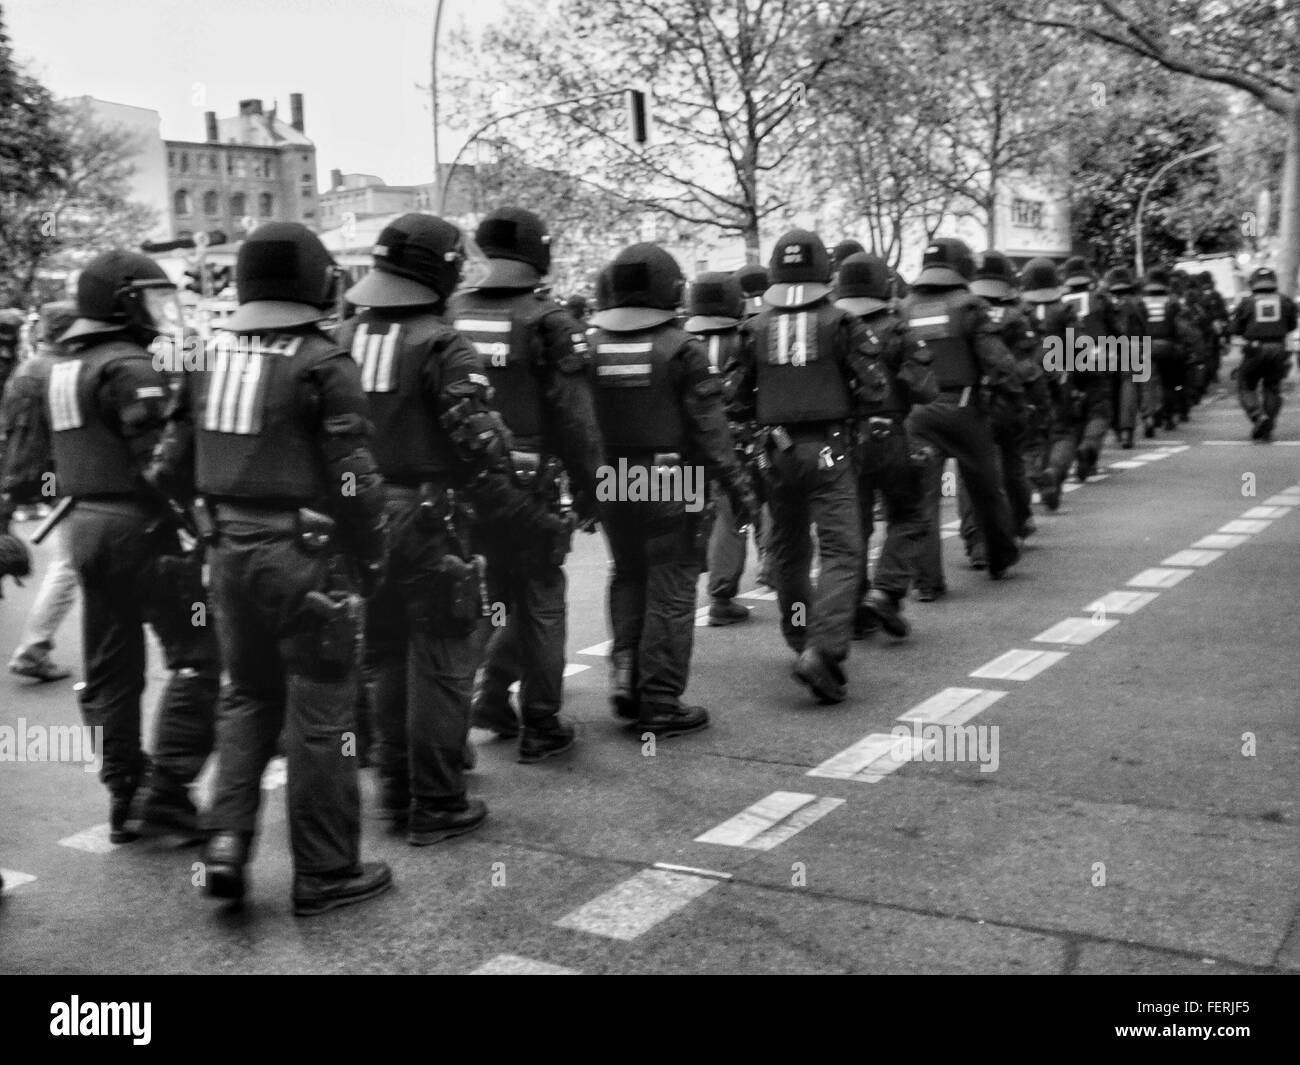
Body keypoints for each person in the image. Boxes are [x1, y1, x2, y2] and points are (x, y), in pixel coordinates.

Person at [149, 223, 390, 914]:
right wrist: (371, 551)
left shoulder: (203, 354)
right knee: (320, 707)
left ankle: (226, 843)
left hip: (225, 552)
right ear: (317, 280)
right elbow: (354, 479)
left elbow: (167, 465)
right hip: (307, 558)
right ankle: (325, 869)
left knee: (246, 695)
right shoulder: (323, 359)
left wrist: (206, 521)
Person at [48, 251, 218, 844]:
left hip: (86, 528)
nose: (161, 310)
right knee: (201, 656)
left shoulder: (65, 364)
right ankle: (166, 794)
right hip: (140, 529)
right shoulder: (129, 365)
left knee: (111, 669)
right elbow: (160, 466)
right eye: (150, 297)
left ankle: (124, 793)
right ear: (123, 301)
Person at [447, 206, 604, 761]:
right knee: (540, 596)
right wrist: (593, 490)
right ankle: (541, 721)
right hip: (529, 484)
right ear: (538, 252)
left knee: (488, 599)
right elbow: (577, 421)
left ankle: (485, 699)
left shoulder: (450, 312)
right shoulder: (549, 321)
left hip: (462, 488)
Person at [589, 242, 754, 733]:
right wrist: (740, 491)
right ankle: (659, 701)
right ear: (669, 288)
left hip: (612, 477)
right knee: (672, 588)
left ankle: (625, 673)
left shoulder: (591, 345)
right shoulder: (682, 349)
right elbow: (712, 433)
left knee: (627, 575)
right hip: (670, 478)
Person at [727, 229, 881, 703]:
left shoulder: (753, 328)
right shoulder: (842, 322)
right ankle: (824, 647)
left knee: (789, 554)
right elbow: (875, 389)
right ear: (824, 272)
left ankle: (798, 635)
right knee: (841, 551)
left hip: (775, 452)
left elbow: (734, 400)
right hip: (830, 450)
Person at [901, 238, 1022, 591]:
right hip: (964, 409)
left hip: (916, 413)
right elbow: (998, 362)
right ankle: (998, 557)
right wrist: (1013, 401)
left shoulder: (903, 308)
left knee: (923, 499)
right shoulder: (970, 306)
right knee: (986, 488)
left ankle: (927, 583)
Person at [834, 252, 936, 640]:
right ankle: (887, 591)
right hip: (891, 436)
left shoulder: (833, 330)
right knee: (909, 514)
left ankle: (855, 613)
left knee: (854, 527)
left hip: (844, 440)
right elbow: (925, 390)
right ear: (885, 287)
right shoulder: (899, 331)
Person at [1, 301, 78, 681]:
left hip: (36, 476)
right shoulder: (57, 371)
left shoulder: (26, 370)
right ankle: (33, 648)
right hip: (62, 476)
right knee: (68, 566)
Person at [684, 271, 752, 625]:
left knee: (690, 511)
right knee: (734, 515)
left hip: (684, 447)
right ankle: (721, 596)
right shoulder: (744, 340)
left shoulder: (679, 340)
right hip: (733, 441)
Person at [1020, 258, 1078, 512]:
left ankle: (1033, 475)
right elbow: (1078, 342)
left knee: (1031, 433)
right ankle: (1054, 472)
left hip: (1027, 375)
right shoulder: (1064, 309)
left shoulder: (1021, 309)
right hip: (1058, 370)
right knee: (1063, 431)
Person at [1059, 257, 1121, 482]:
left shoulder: (1060, 301)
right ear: (1088, 277)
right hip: (1098, 361)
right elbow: (1117, 331)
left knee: (1073, 415)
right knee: (1100, 409)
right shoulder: (1100, 300)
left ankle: (1074, 459)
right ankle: (1089, 448)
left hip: (1065, 363)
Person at [1231, 266, 1297, 442]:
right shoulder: (1285, 301)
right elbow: (1292, 326)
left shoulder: (1246, 303)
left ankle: (1258, 416)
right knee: (1272, 387)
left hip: (1254, 350)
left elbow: (1236, 329)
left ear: (1253, 283)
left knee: (1245, 384)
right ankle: (1269, 424)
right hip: (1279, 349)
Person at [1102, 266, 1150, 448]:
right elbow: (1146, 329)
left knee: (1112, 388)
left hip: (1108, 350)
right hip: (1135, 347)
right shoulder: (1138, 303)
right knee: (1129, 384)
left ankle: (1115, 428)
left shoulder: (1104, 302)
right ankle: (1126, 431)